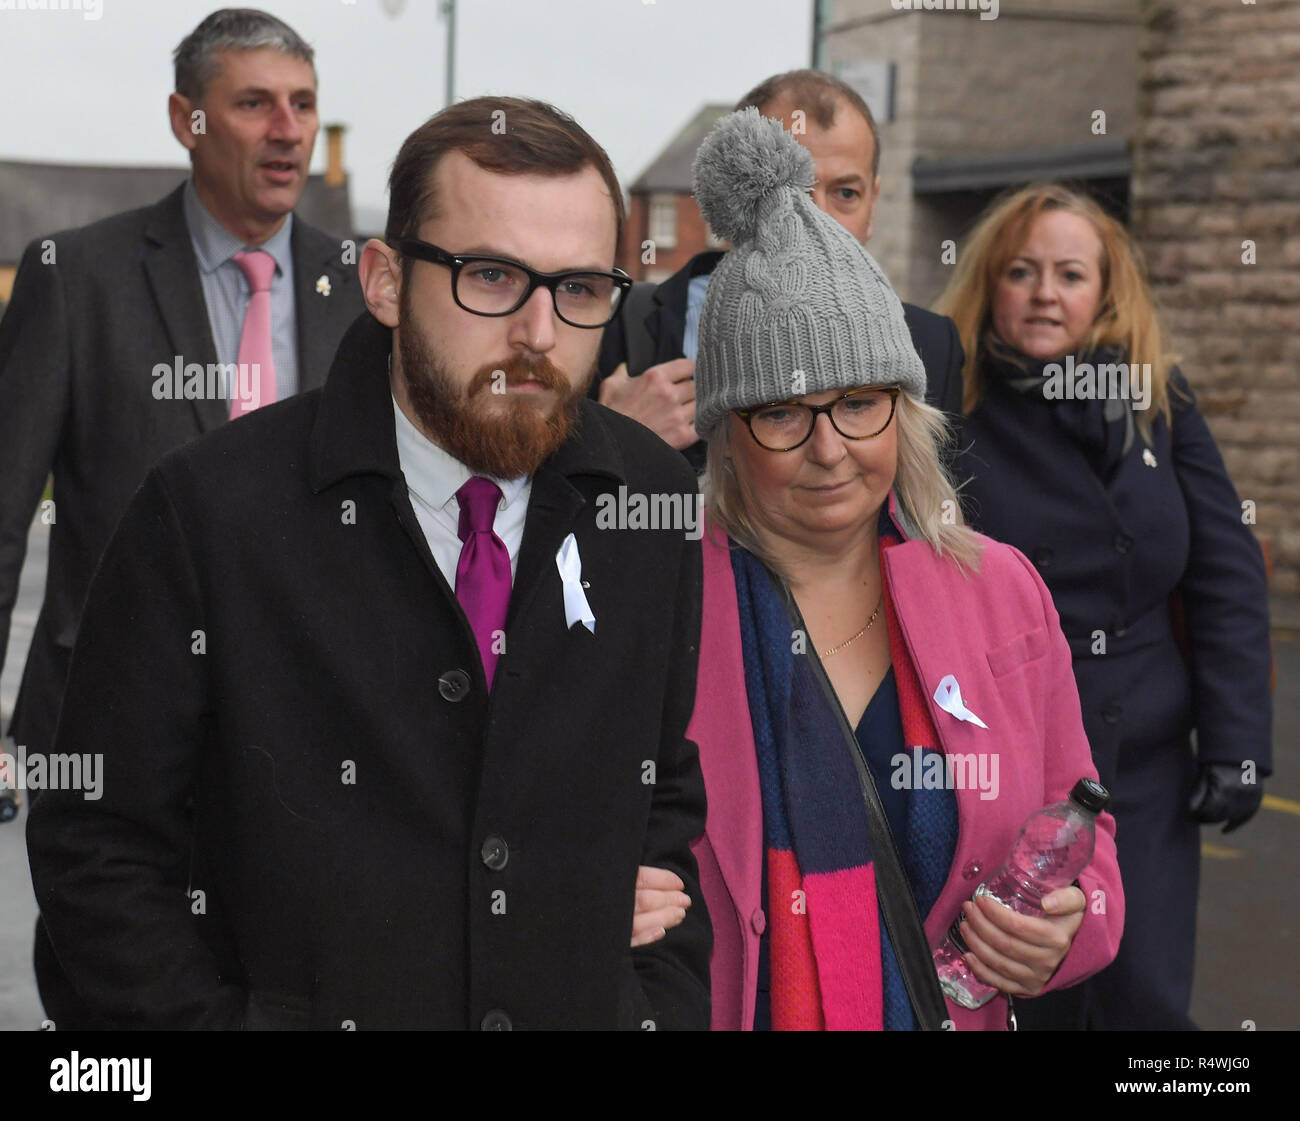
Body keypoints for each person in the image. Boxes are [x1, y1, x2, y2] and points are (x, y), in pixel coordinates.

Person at [26, 96, 711, 1030]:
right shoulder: (206, 513)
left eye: (580, 288)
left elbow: (662, 795)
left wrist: (650, 1003)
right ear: (386, 282)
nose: (539, 335)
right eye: (492, 276)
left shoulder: (650, 503)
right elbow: (98, 849)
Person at [673, 109, 1123, 1031]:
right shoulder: (668, 603)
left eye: (857, 403)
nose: (830, 448)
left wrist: (1072, 928)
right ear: (725, 433)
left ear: (903, 411)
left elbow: (1086, 831)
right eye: (783, 414)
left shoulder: (998, 590)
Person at [0, 8, 366, 1024]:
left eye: (302, 104)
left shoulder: (360, 290)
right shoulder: (76, 278)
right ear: (187, 120)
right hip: (109, 738)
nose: (286, 129)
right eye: (253, 103)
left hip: (310, 738)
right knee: (114, 994)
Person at [936, 183, 1272, 1030]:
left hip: (1145, 764)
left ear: (1105, 290)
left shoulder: (1158, 399)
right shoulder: (949, 407)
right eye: (1022, 270)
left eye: (1071, 273)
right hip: (1016, 754)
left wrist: (1237, 741)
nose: (1046, 292)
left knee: (1146, 1004)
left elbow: (1225, 572)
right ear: (990, 286)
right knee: (1021, 992)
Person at [595, 69, 965, 472]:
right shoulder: (623, 320)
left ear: (873, 205)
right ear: (736, 189)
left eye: (845, 193)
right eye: (791, 191)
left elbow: (932, 512)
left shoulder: (932, 344)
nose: (815, 216)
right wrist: (613, 440)